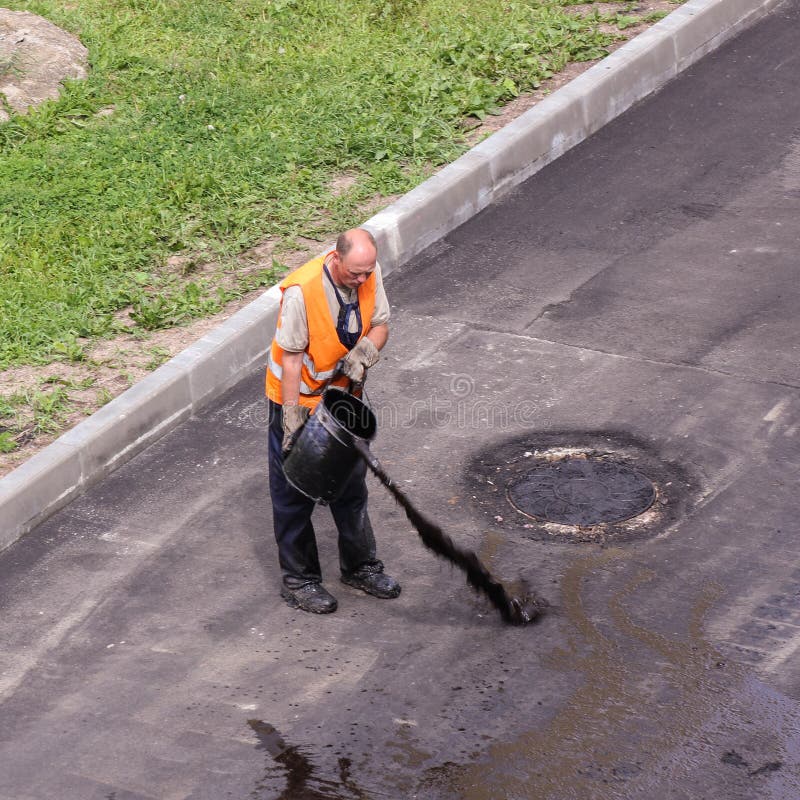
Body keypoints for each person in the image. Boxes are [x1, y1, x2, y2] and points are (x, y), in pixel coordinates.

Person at [265, 228, 401, 614]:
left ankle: (360, 567)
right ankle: (300, 580)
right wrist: (292, 420)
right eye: (355, 273)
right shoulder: (302, 292)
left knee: (350, 487)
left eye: (367, 272)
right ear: (336, 258)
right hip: (298, 401)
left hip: (340, 400)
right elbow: (291, 359)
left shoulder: (368, 273)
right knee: (293, 493)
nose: (363, 279)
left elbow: (381, 324)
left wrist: (365, 351)